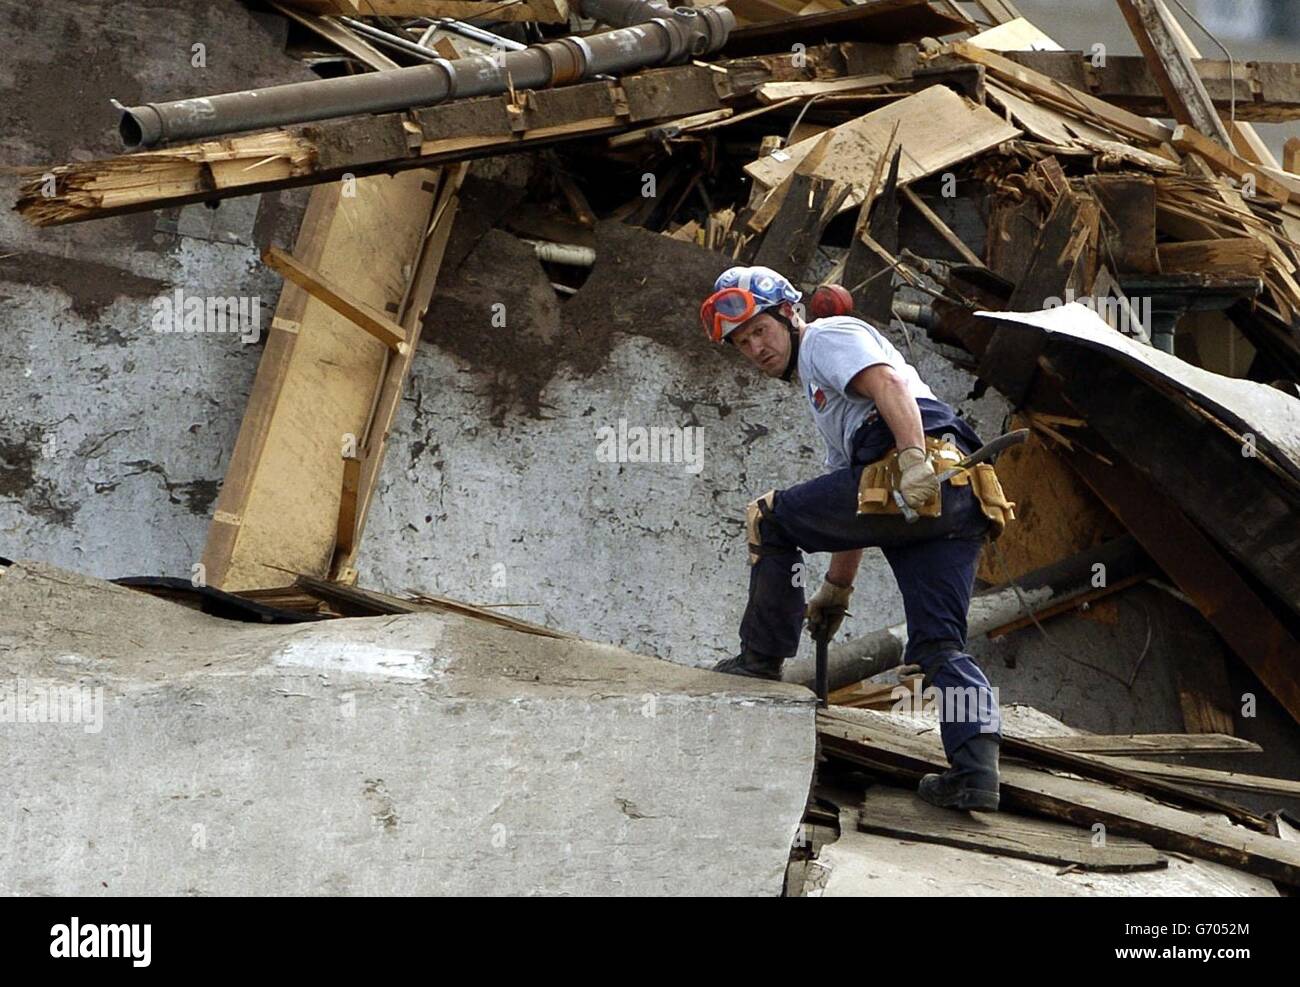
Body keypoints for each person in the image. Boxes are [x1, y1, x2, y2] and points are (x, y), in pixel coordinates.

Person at [700, 265, 1014, 811]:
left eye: (759, 331)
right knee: (939, 644)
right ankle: (975, 774)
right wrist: (836, 591)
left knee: (768, 520)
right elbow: (857, 506)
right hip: (954, 495)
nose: (754, 348)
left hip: (919, 471)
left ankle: (761, 659)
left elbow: (889, 386)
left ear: (788, 315)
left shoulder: (826, 337)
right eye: (742, 341)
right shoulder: (824, 398)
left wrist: (913, 459)